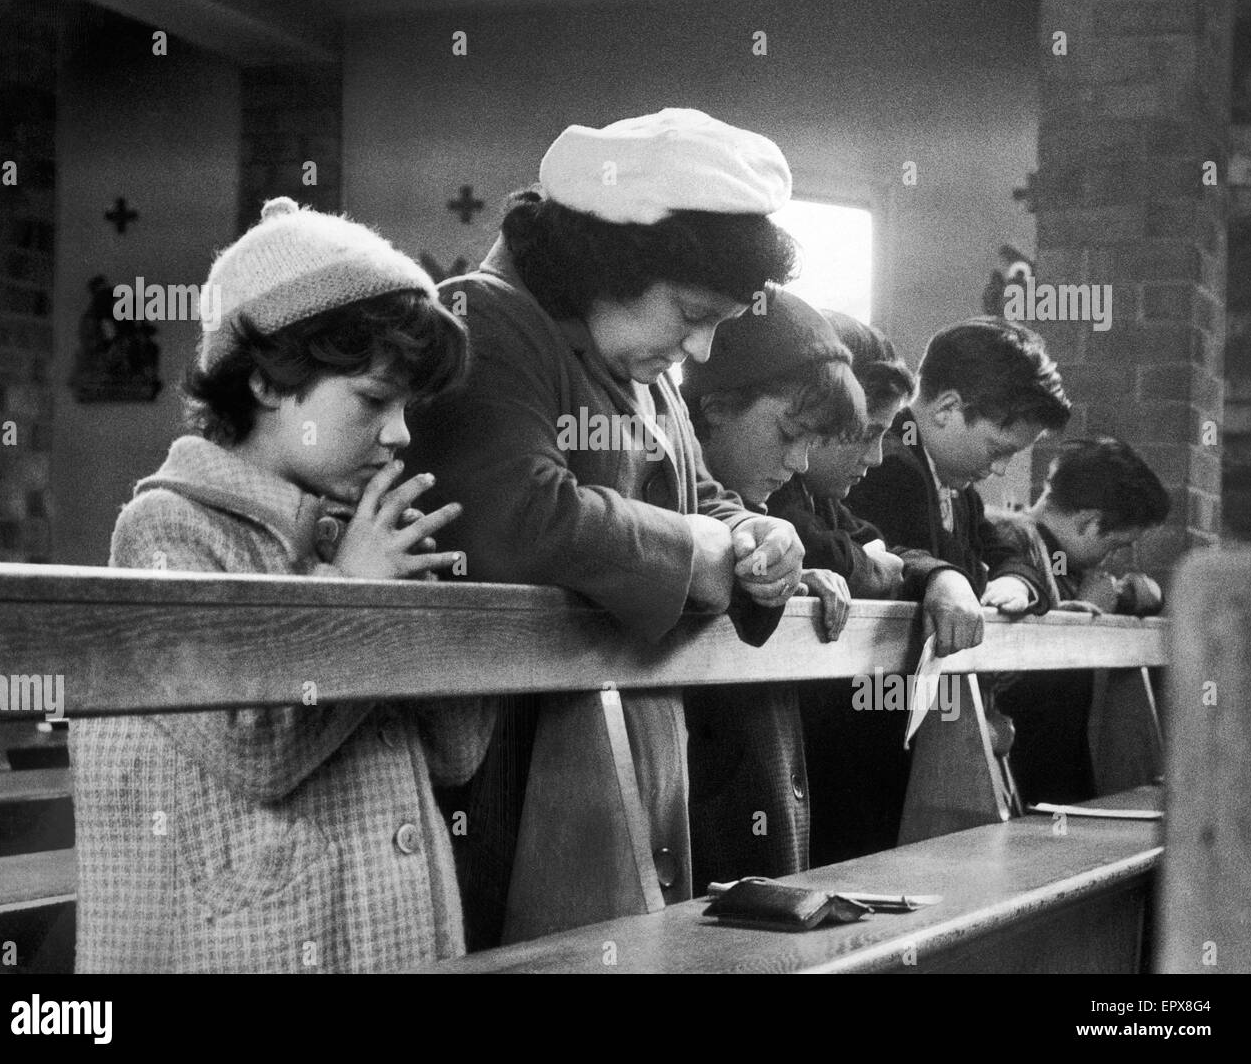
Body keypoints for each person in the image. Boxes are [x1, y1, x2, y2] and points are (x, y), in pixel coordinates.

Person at [405, 108, 807, 945]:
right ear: (609, 262)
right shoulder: (484, 319)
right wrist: (696, 550)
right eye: (690, 313)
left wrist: (757, 542)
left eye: (717, 326)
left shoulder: (637, 359)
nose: (696, 351)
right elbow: (512, 516)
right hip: (509, 766)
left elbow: (703, 501)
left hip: (630, 751)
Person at [70, 198, 494, 972]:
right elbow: (255, 749)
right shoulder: (167, 527)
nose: (400, 432)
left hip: (390, 932)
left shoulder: (352, 533)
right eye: (372, 399)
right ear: (267, 380)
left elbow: (456, 757)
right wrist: (358, 598)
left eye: (406, 405)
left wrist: (429, 615)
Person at [837, 315, 1072, 854]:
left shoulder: (952, 480)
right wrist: (946, 578)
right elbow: (890, 568)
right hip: (868, 728)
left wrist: (1016, 580)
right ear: (946, 409)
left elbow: (1004, 544)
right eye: (997, 447)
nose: (1000, 468)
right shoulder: (886, 465)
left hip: (920, 723)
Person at [766, 310, 986, 863]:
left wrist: (941, 575)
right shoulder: (775, 490)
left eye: (884, 436)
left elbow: (884, 547)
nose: (875, 457)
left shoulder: (827, 499)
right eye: (863, 434)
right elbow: (822, 548)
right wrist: (869, 568)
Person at [678, 289, 863, 889]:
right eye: (789, 433)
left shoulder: (774, 511)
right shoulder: (659, 484)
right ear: (717, 407)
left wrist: (790, 579)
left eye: (813, 441)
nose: (802, 462)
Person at [981, 436, 1170, 804]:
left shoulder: (1065, 556)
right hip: (1017, 761)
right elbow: (1001, 670)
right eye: (1114, 546)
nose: (1110, 560)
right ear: (1089, 522)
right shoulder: (1010, 539)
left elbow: (1137, 593)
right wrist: (1080, 617)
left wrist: (1135, 595)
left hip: (1057, 762)